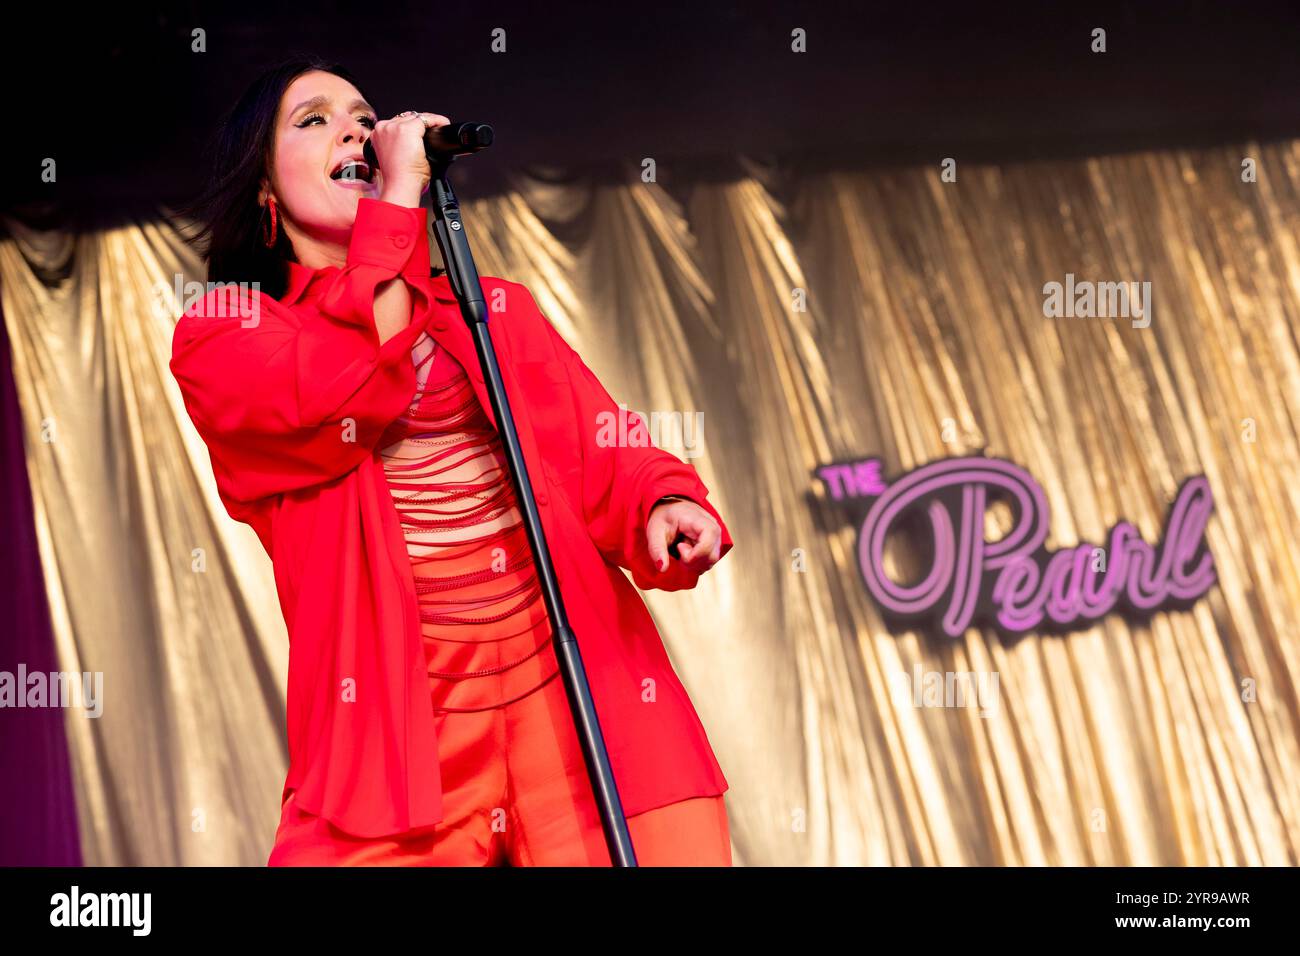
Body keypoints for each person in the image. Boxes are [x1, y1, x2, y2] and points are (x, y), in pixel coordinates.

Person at [169, 55, 735, 866]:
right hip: (399, 751)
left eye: (364, 115)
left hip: (581, 719)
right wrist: (397, 204)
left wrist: (662, 504)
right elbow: (351, 386)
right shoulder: (225, 333)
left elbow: (605, 455)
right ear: (263, 190)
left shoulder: (493, 310)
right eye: (314, 119)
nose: (357, 129)